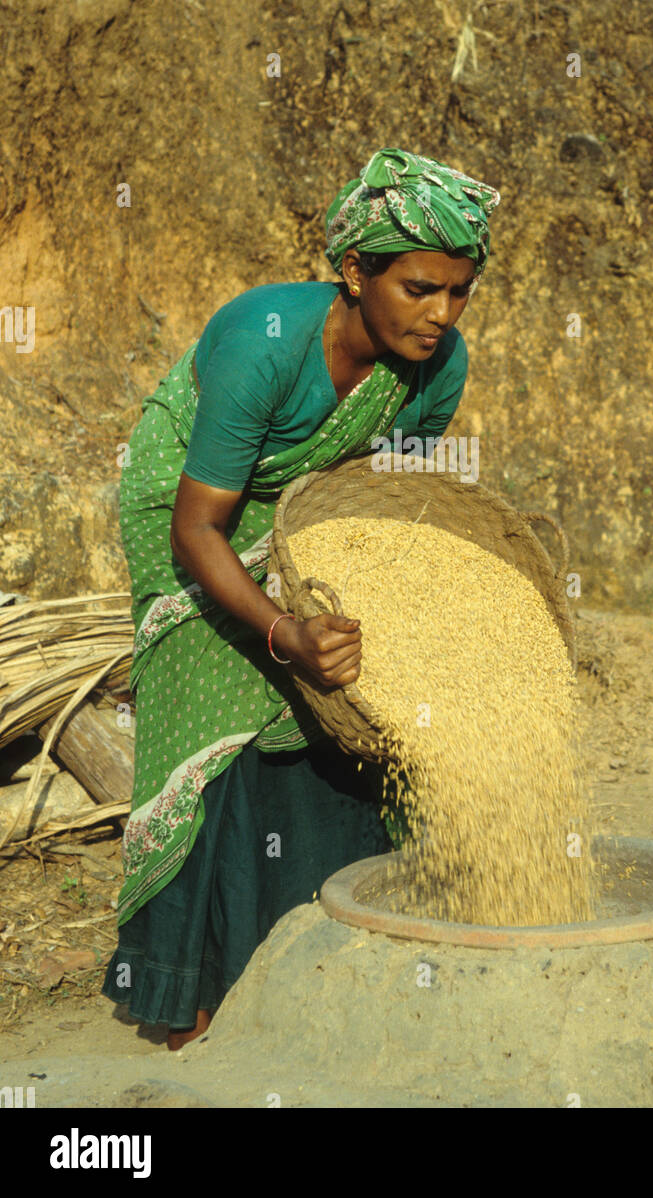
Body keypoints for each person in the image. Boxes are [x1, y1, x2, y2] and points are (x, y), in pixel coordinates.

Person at [101, 147, 500, 1049]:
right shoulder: (264, 345)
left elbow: (384, 503)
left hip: (313, 512)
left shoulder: (436, 368)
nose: (441, 315)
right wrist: (285, 632)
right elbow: (198, 528)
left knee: (352, 705)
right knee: (227, 717)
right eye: (419, 288)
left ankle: (333, 963)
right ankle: (197, 996)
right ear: (355, 272)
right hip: (194, 509)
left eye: (460, 292)